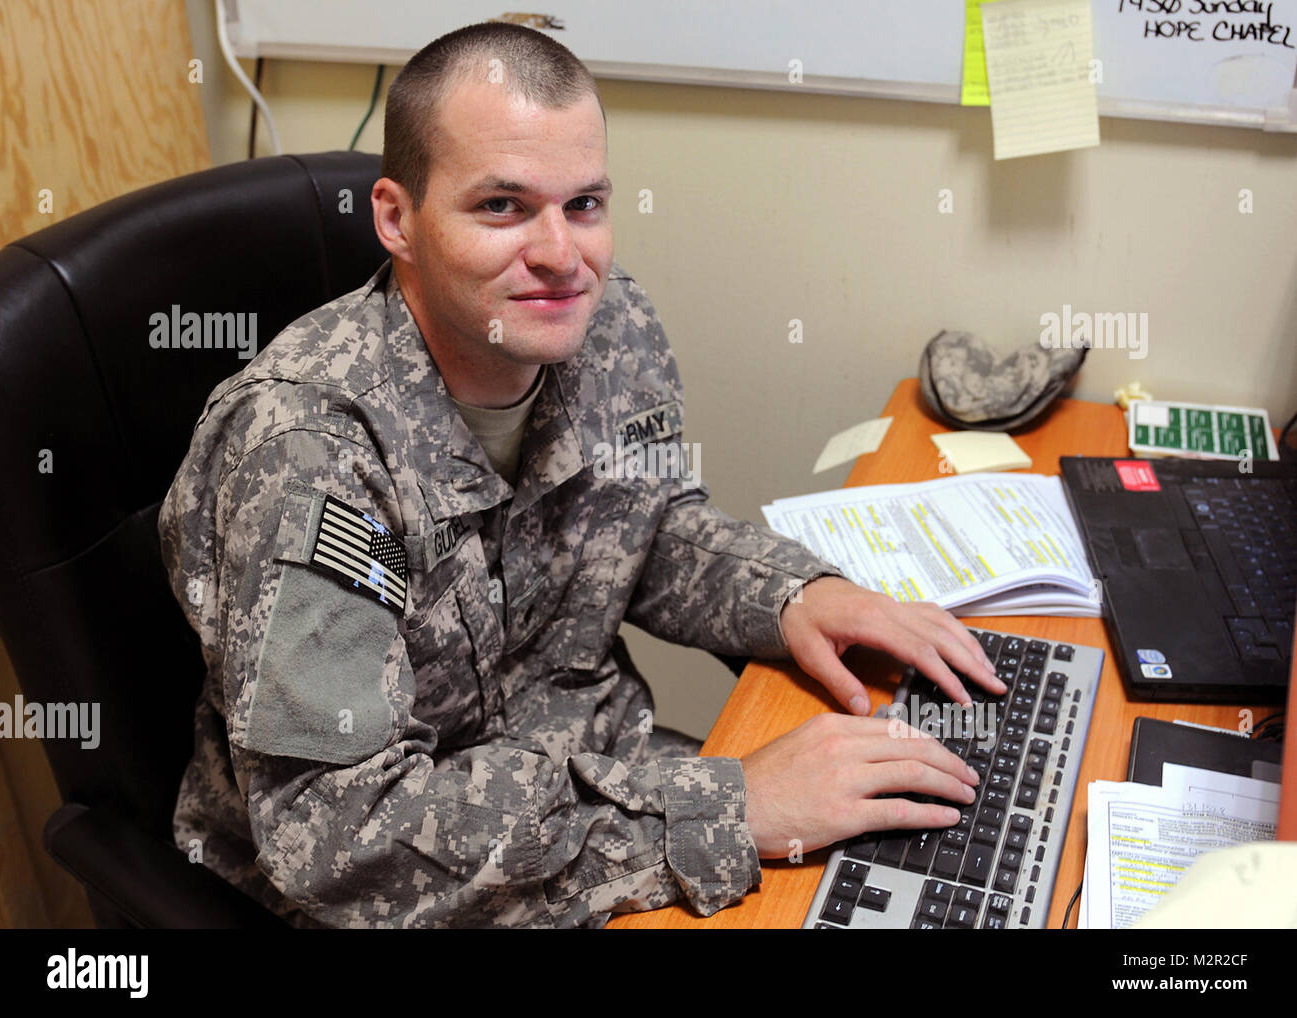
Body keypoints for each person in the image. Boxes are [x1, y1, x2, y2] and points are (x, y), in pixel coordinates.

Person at [158, 21, 1003, 929]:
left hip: (600, 784)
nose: (564, 256)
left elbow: (649, 525)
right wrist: (728, 810)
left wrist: (794, 596)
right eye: (503, 208)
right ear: (397, 219)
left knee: (940, 861)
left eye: (586, 204)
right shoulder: (307, 449)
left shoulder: (610, 324)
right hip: (398, 886)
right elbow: (341, 839)